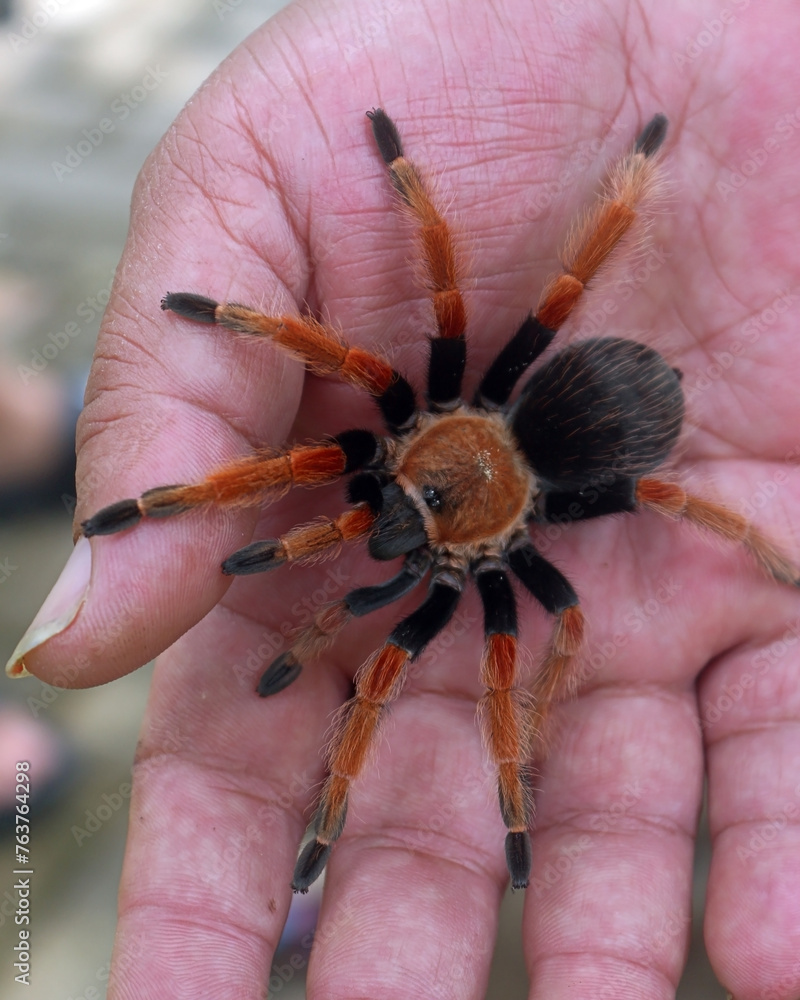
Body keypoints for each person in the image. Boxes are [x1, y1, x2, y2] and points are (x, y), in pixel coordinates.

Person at [7, 1, 800, 996]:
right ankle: (164, 513)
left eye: (401, 522)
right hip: (525, 426)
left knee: (469, 636)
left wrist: (519, 781)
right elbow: (405, 296)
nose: (384, 527)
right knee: (421, 364)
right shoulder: (401, 429)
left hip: (569, 438)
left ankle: (359, 816)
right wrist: (233, 336)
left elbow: (537, 618)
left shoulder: (500, 511)